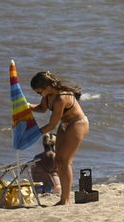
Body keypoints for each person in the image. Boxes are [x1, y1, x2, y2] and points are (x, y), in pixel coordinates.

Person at [31, 71, 89, 205]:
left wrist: (34, 134)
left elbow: (51, 125)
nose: (39, 95)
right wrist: (27, 106)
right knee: (58, 161)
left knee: (66, 161)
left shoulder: (61, 98)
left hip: (78, 123)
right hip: (65, 124)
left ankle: (66, 199)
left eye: (39, 92)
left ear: (47, 87)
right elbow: (41, 108)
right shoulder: (47, 96)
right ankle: (64, 196)